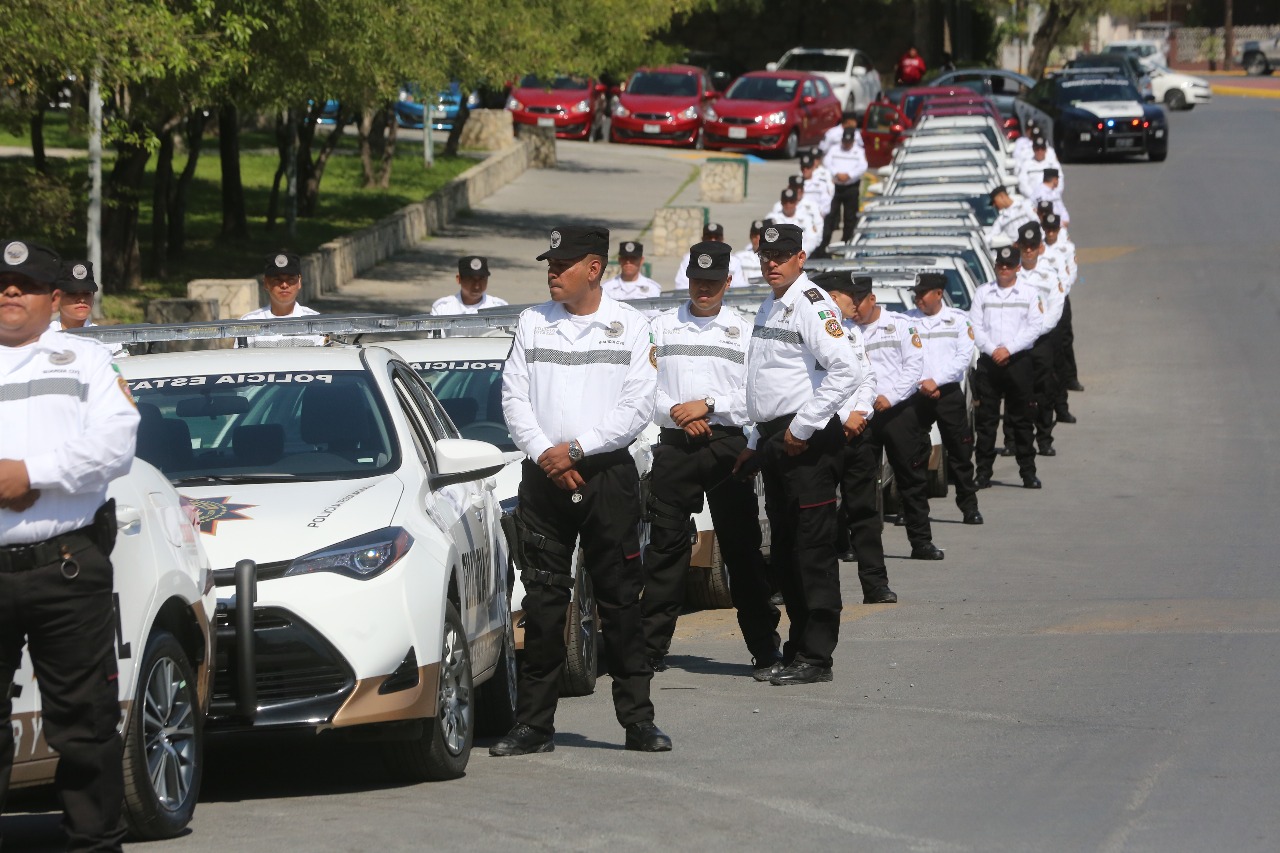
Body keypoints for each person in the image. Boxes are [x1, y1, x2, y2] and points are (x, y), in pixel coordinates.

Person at [495, 225, 670, 755]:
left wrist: (576, 451)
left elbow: (637, 407)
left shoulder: (632, 326)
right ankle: (534, 726)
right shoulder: (532, 323)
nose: (551, 271)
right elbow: (513, 397)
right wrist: (547, 454)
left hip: (605, 477)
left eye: (562, 264)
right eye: (549, 263)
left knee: (620, 601)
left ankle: (638, 721)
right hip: (544, 475)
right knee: (545, 602)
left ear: (594, 269)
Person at [1, 238, 140, 853]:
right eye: (3, 284)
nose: (10, 294)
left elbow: (116, 445)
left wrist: (34, 474)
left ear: (54, 299)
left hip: (63, 566)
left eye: (24, 286)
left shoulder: (85, 361)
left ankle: (93, 842)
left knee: (83, 726)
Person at [641, 241, 781, 678]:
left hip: (726, 445)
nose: (705, 290)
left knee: (740, 549)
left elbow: (754, 395)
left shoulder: (744, 330)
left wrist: (709, 405)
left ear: (728, 282)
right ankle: (650, 648)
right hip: (674, 445)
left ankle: (764, 645)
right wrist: (679, 415)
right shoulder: (661, 326)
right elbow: (644, 388)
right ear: (688, 280)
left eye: (713, 282)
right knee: (666, 548)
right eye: (698, 282)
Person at [735, 223, 863, 685]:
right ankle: (797, 649)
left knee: (812, 552)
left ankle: (817, 655)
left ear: (801, 257)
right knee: (786, 552)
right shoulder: (770, 305)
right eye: (766, 254)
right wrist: (754, 443)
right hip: (776, 441)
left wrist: (802, 426)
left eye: (782, 254)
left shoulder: (812, 304)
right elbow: (762, 380)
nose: (772, 262)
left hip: (805, 443)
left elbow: (846, 369)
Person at [841, 271, 946, 561]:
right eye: (851, 302)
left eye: (859, 302)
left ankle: (921, 542)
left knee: (911, 478)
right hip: (863, 415)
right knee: (859, 482)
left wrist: (891, 396)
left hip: (899, 412)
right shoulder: (846, 331)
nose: (854, 309)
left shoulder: (900, 325)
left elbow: (913, 366)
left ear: (872, 300)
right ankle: (857, 544)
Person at [815, 272, 897, 604]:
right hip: (821, 433)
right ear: (834, 298)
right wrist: (840, 418)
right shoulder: (809, 334)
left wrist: (861, 412)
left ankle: (875, 585)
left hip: (858, 432)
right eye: (852, 298)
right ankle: (815, 589)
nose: (857, 305)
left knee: (865, 513)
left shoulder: (852, 333)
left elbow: (868, 376)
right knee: (814, 517)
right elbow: (805, 387)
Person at [905, 272, 983, 525]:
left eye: (922, 294)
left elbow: (963, 358)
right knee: (914, 454)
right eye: (915, 295)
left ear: (938, 294)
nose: (917, 299)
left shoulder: (958, 320)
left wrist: (935, 382)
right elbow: (903, 358)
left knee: (960, 452)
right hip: (916, 393)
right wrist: (923, 383)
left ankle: (969, 507)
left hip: (947, 393)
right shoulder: (907, 321)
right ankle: (913, 509)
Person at [969, 245, 1044, 489]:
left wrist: (1008, 350)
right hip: (990, 363)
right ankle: (983, 473)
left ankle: (1028, 472)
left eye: (1009, 266)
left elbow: (1035, 327)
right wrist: (993, 350)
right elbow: (975, 327)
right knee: (986, 422)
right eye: (1000, 266)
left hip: (1018, 362)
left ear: (1017, 268)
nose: (1004, 270)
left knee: (1022, 420)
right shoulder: (983, 293)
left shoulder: (1029, 294)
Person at [1015, 222, 1066, 457]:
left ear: (1040, 247)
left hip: (1041, 341)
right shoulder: (1009, 275)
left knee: (1045, 391)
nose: (1028, 251)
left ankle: (1044, 438)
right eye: (1024, 246)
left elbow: (1056, 307)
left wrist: (1036, 331)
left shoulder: (1049, 274)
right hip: (1016, 343)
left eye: (1032, 246)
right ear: (1018, 246)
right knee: (1016, 392)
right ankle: (1011, 440)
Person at [237, 251, 323, 347]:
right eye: (277, 280)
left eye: (290, 279)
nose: (284, 285)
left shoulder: (316, 322)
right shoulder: (249, 323)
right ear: (266, 283)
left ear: (299, 282)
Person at [48, 261, 127, 358]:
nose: (81, 299)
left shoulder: (109, 343)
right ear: (56, 298)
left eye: (86, 293)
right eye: (72, 293)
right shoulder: (41, 339)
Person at [1042, 212, 1083, 397]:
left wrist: (1059, 292)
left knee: (1065, 339)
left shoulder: (1066, 248)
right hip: (1044, 301)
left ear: (1058, 229)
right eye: (1047, 229)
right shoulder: (1039, 247)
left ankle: (1070, 377)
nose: (1050, 233)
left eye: (1053, 229)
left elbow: (1071, 273)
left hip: (1061, 298)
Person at [820, 127, 867, 253]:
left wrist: (849, 175)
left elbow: (863, 166)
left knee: (850, 217)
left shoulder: (858, 152)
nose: (846, 144)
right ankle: (824, 243)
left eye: (849, 142)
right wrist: (836, 173)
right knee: (830, 215)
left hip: (850, 187)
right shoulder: (835, 149)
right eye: (844, 141)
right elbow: (827, 162)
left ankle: (847, 243)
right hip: (836, 186)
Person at [674, 223, 744, 291]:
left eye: (717, 238)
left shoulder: (734, 261)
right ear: (702, 239)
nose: (712, 241)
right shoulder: (689, 259)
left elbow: (739, 289)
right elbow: (681, 287)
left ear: (722, 239)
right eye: (709, 237)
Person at [431, 255, 510, 314]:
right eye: (470, 279)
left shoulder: (499, 308)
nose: (477, 286)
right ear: (458, 279)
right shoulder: (442, 309)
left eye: (482, 279)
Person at [768, 188, 821, 254]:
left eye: (791, 202)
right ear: (781, 202)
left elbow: (811, 240)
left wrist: (798, 255)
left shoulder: (806, 219)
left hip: (801, 257)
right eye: (785, 201)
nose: (788, 205)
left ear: (796, 203)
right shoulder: (771, 219)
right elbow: (768, 240)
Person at [799, 153, 834, 222]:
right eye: (803, 168)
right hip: (800, 218)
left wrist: (818, 215)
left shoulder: (821, 184)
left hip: (816, 218)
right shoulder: (795, 184)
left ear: (812, 168)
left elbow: (826, 202)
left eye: (808, 168)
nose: (805, 170)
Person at [733, 220, 765, 285]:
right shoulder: (739, 257)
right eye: (755, 235)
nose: (758, 238)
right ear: (750, 237)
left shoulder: (773, 257)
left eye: (761, 235)